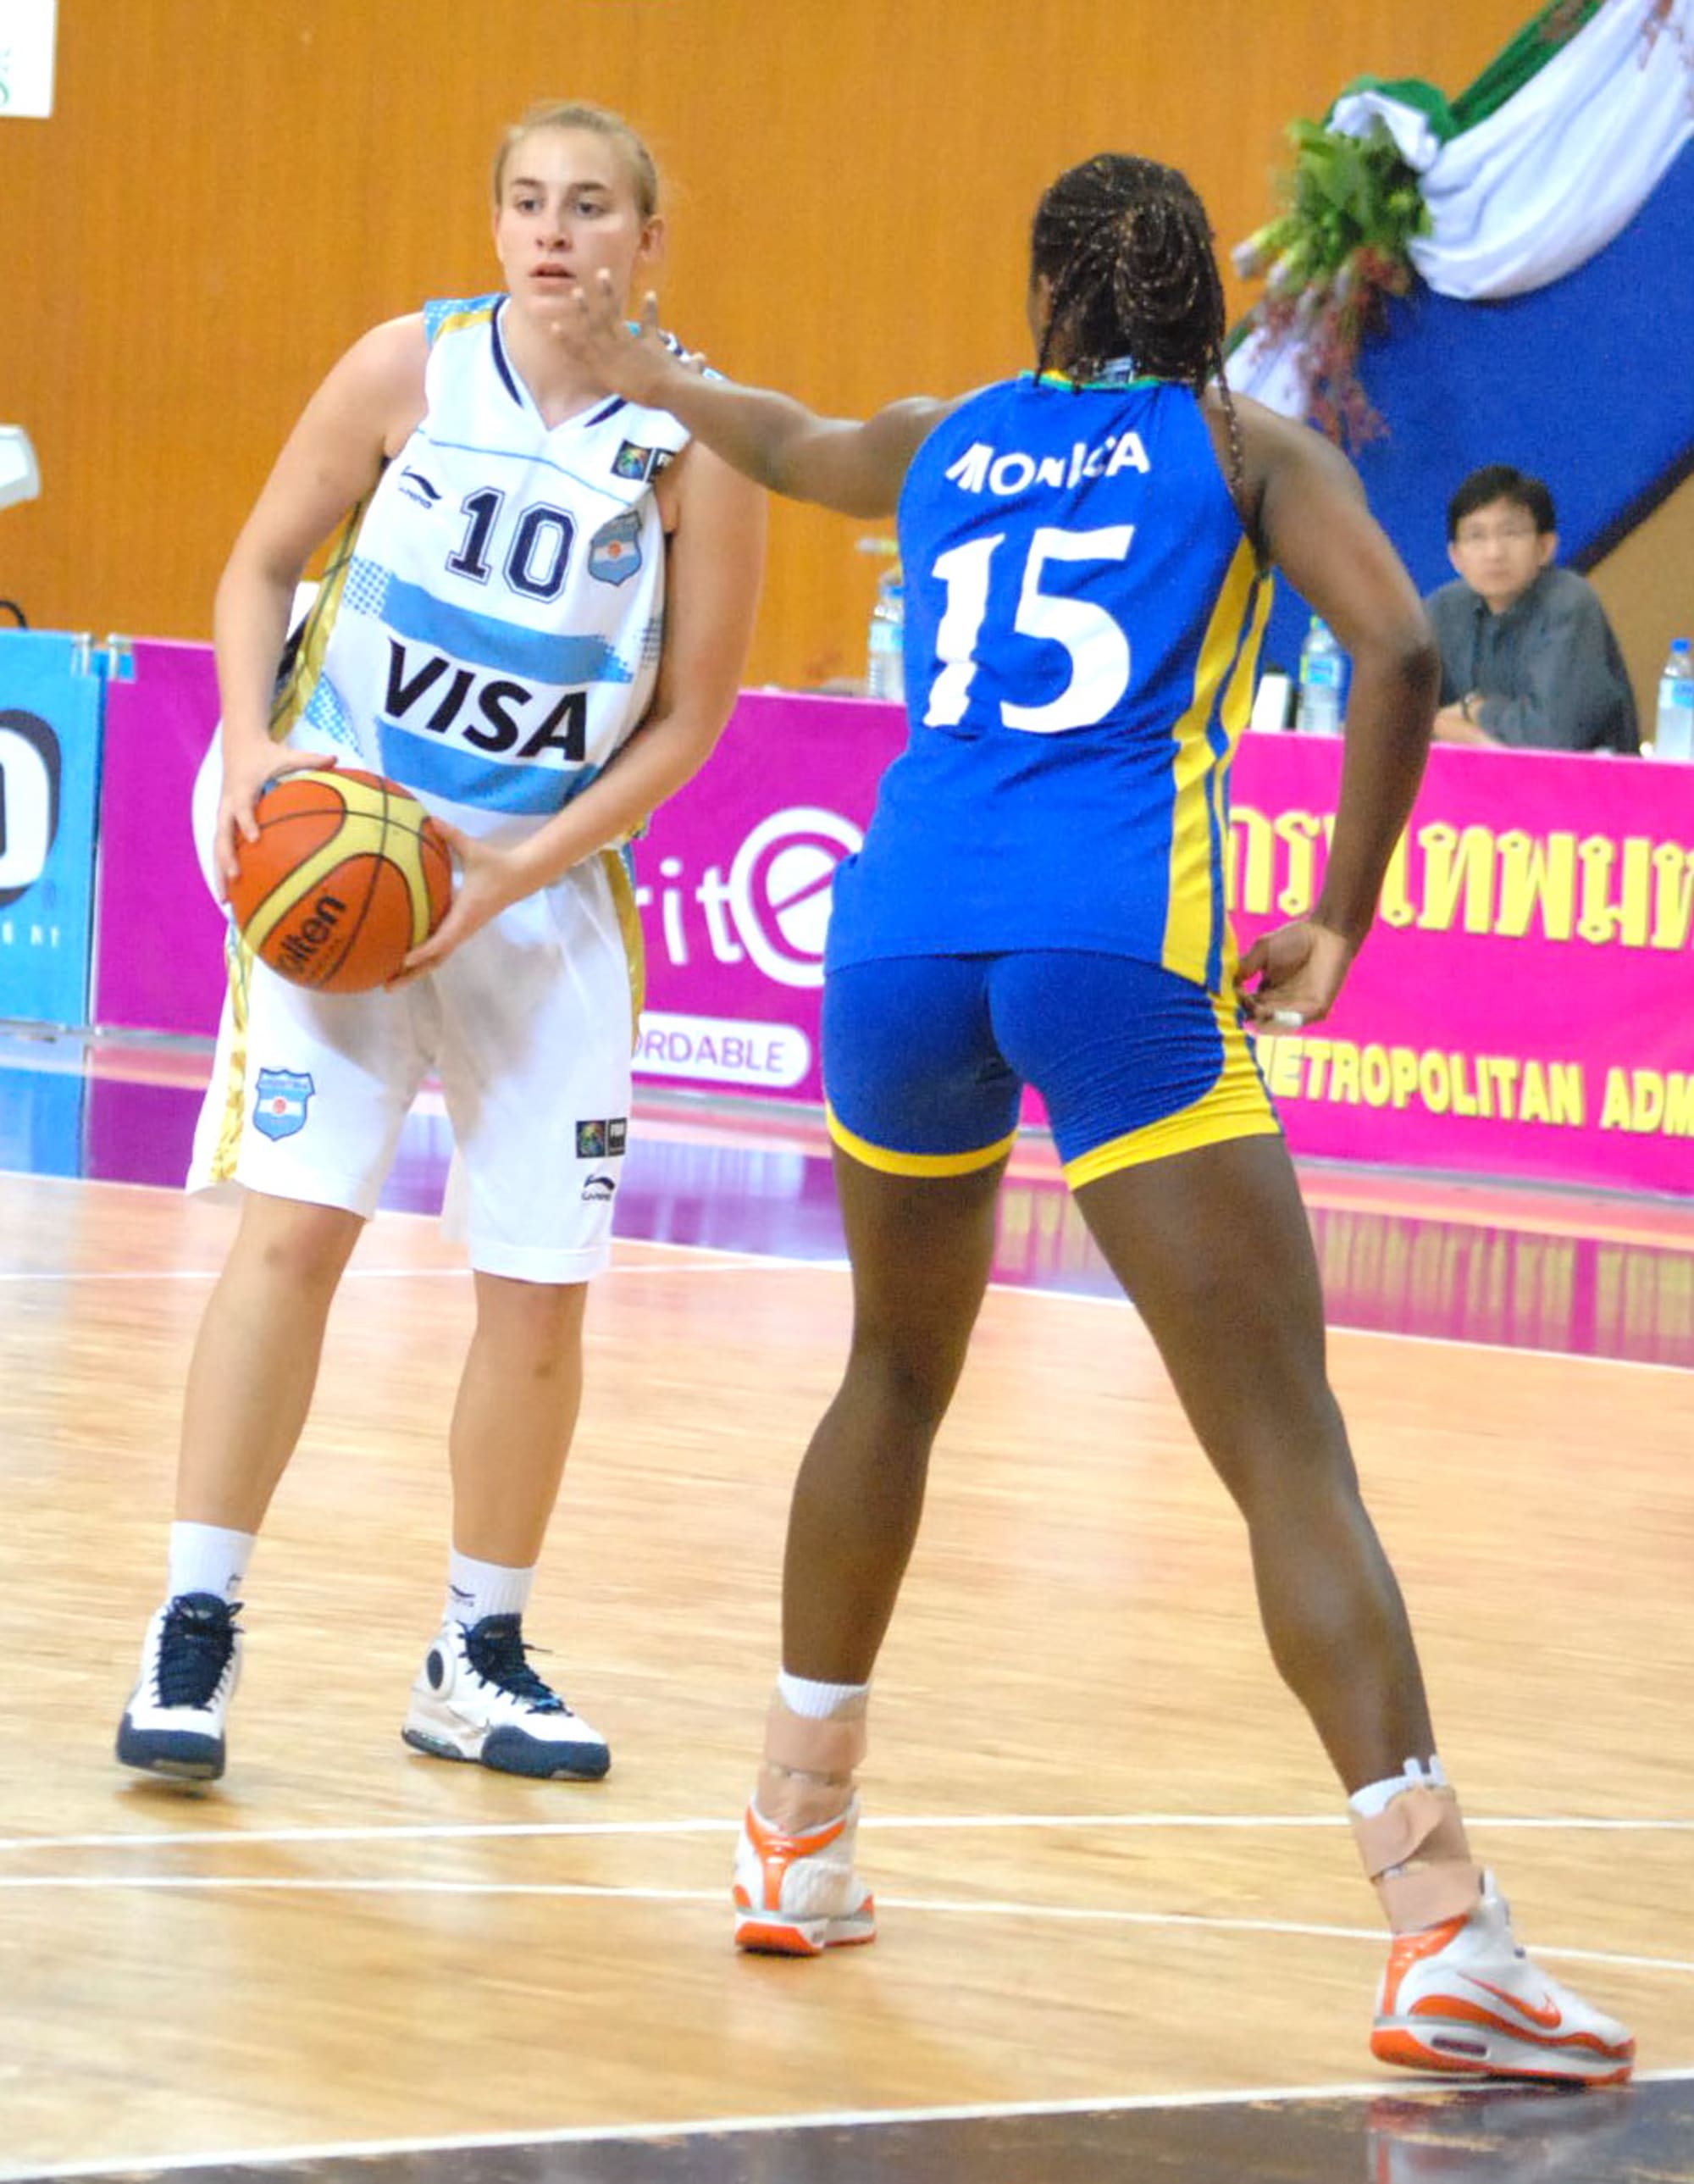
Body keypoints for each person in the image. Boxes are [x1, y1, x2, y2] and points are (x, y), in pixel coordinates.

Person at [554, 153, 1634, 2083]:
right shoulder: (1241, 447)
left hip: (891, 932)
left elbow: (783, 435)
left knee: (887, 1372)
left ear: (1039, 291)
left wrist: (642, 359)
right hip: (1105, 928)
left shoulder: (948, 435)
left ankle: (793, 1836)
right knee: (1280, 1443)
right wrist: (1335, 918)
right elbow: (1392, 651)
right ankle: (1439, 1927)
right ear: (1189, 296)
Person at [115, 101, 765, 1786]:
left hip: (528, 892)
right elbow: (259, 568)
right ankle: (194, 1626)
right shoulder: (405, 370)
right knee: (294, 1239)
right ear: (495, 228)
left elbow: (686, 725)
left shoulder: (694, 438)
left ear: (646, 239)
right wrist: (259, 764)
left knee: (540, 1294)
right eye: (530, 203)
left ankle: (476, 1651)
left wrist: (514, 869)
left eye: (595, 207)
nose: (558, 232)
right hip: (348, 842)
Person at [1425, 465, 1638, 752]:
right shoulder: (1443, 610)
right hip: (1469, 790)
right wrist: (1462, 731)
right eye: (1476, 537)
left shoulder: (1569, 602)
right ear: (1455, 556)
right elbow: (1402, 721)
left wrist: (1471, 712)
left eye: (1511, 533)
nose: (1494, 553)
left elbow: (1549, 738)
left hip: (1579, 792)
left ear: (1545, 547)